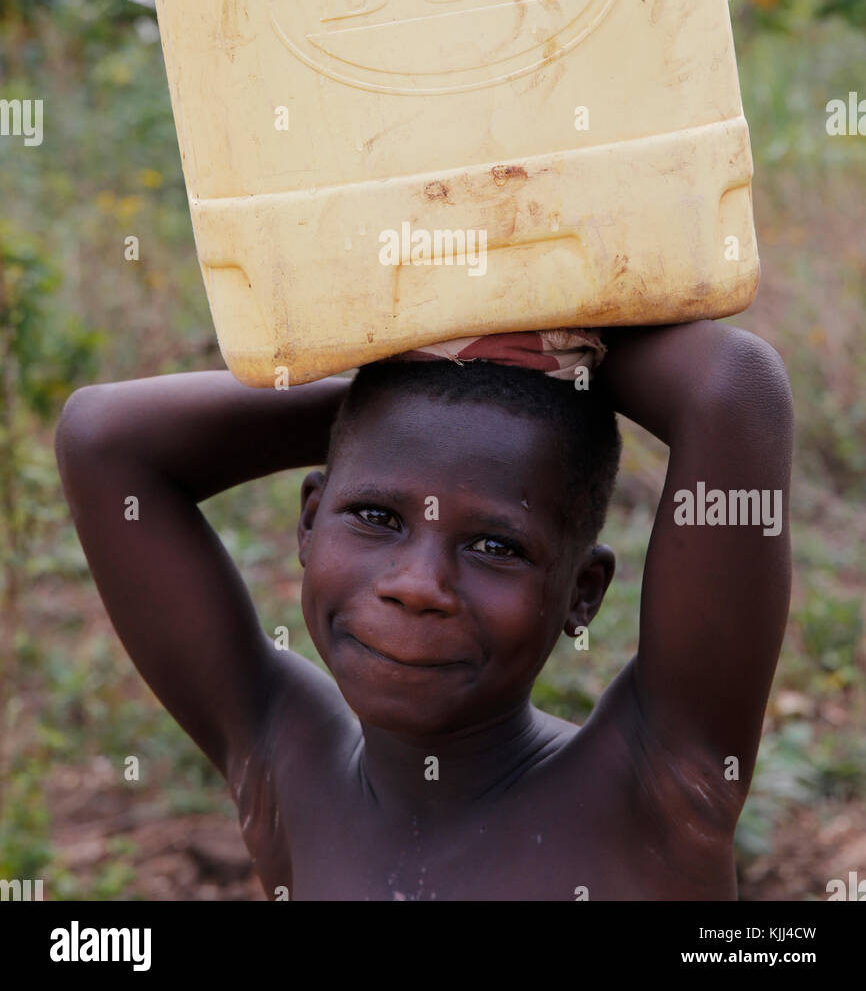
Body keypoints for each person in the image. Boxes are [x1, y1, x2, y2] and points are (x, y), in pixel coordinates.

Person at [54, 318, 792, 901]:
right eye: (375, 516)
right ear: (309, 520)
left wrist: (488, 336)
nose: (417, 585)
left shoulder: (656, 794)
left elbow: (733, 388)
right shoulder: (288, 775)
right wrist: (396, 394)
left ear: (582, 594)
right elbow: (103, 440)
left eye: (496, 548)